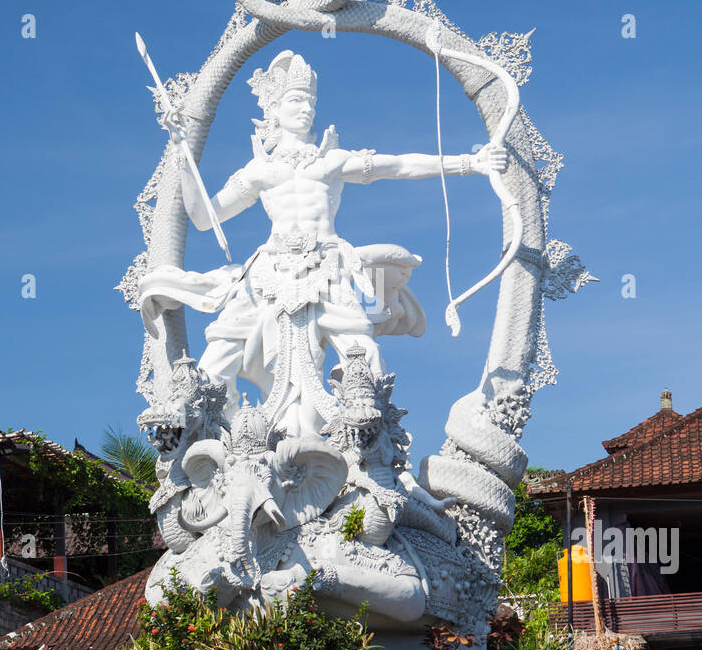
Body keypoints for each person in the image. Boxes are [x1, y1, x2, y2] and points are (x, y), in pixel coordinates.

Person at [140, 51, 507, 437]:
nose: (307, 109)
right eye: (297, 100)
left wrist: (470, 162)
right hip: (269, 271)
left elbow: (397, 166)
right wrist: (181, 156)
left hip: (328, 266)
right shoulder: (259, 170)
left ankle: (369, 440)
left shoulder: (331, 160)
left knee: (362, 355)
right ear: (274, 109)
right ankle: (227, 440)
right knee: (218, 354)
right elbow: (203, 217)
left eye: (311, 101)